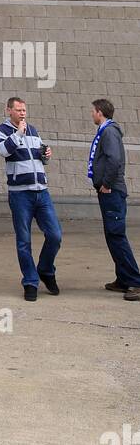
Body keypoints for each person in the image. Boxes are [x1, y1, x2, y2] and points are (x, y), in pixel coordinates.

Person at [0, 95, 61, 301]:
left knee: (55, 235)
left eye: (24, 110)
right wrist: (19, 134)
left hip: (41, 191)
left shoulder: (33, 130)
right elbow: (3, 151)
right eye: (19, 110)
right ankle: (30, 282)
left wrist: (46, 155)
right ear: (9, 111)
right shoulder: (3, 131)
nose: (23, 113)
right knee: (24, 241)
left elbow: (38, 157)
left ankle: (45, 270)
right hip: (20, 194)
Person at [89, 98, 140, 301]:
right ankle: (123, 279)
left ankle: (135, 281)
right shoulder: (106, 130)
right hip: (108, 191)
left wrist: (107, 184)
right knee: (112, 235)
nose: (91, 114)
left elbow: (114, 159)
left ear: (100, 112)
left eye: (93, 111)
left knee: (117, 235)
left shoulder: (109, 131)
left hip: (112, 191)